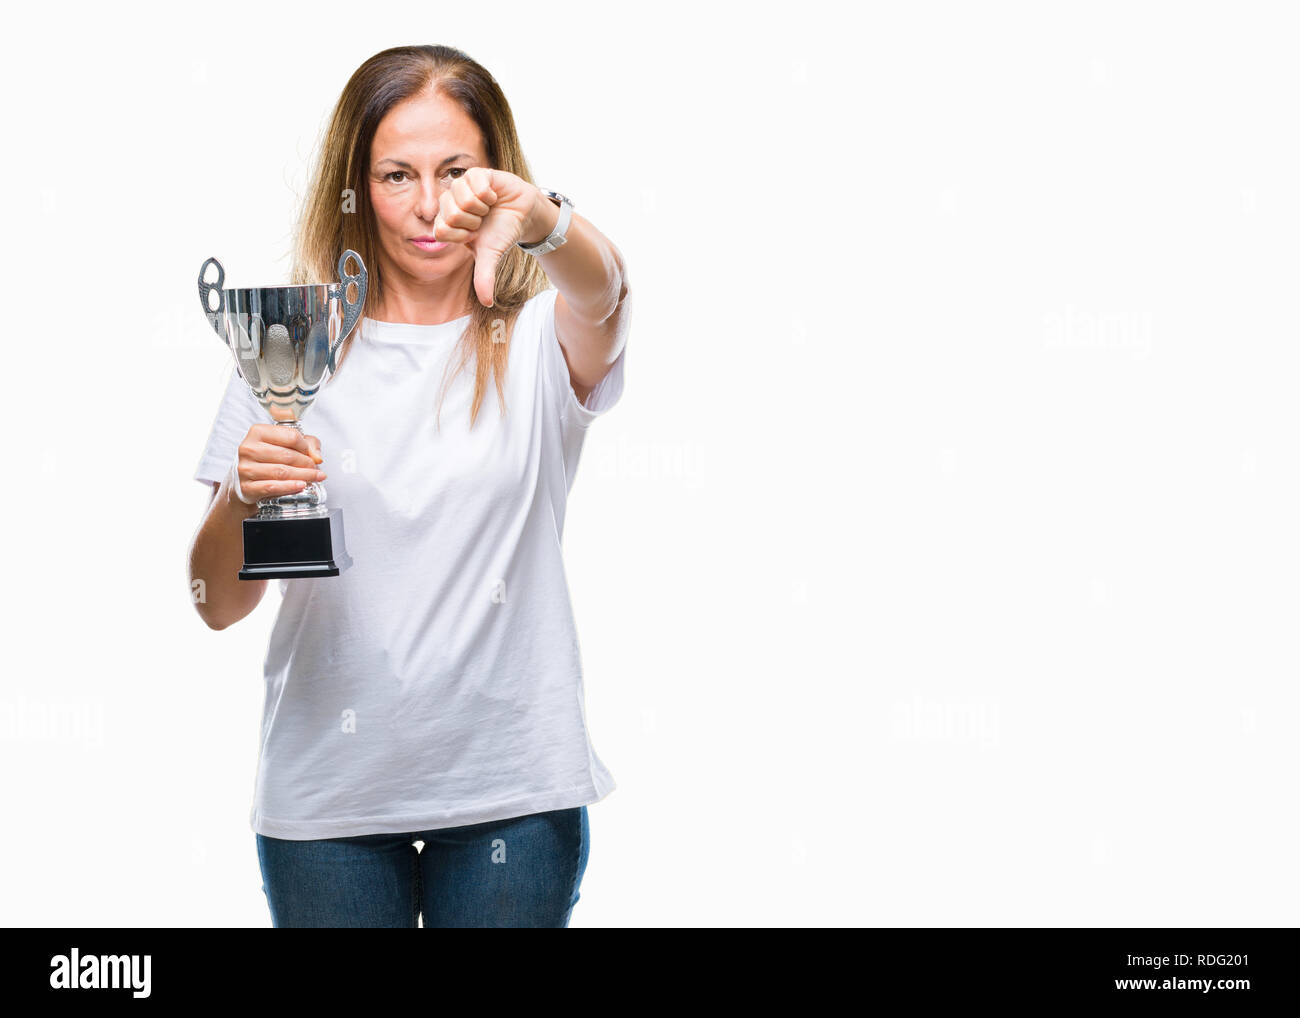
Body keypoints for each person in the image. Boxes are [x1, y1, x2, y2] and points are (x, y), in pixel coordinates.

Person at [186, 43, 630, 928]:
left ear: (495, 172)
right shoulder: (292, 342)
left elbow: (608, 292)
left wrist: (539, 216)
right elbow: (215, 603)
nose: (429, 208)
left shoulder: (541, 337)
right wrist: (243, 493)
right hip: (329, 804)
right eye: (395, 175)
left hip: (514, 795)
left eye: (457, 171)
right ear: (354, 184)